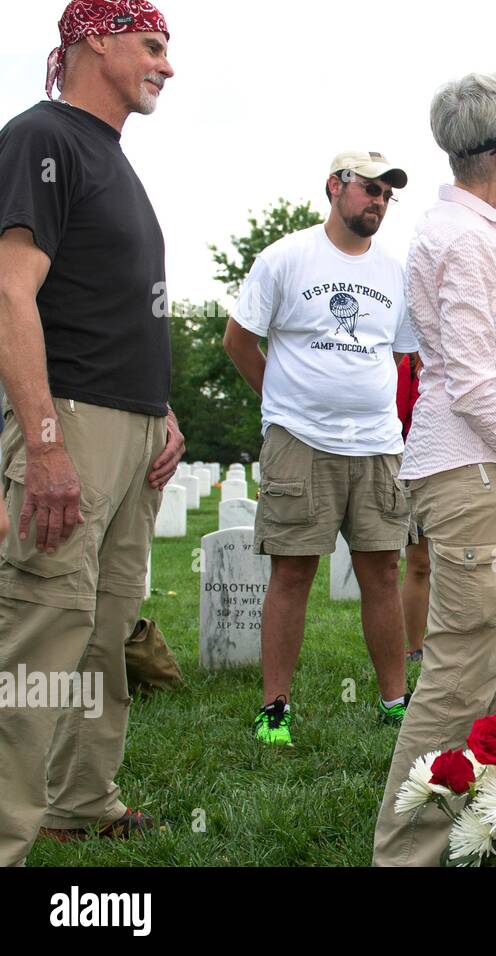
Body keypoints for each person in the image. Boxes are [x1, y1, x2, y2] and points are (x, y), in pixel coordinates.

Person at [372, 72, 496, 867]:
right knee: (460, 667)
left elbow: (486, 368)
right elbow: (461, 372)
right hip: (467, 472)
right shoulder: (461, 237)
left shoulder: (476, 230)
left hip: (483, 459)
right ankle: (407, 851)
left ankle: (485, 828)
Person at [0, 0, 182, 866]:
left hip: (134, 427)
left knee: (108, 626)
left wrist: (163, 411)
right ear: (95, 42)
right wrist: (43, 444)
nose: (167, 66)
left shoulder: (109, 156)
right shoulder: (42, 136)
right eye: (152, 45)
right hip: (70, 419)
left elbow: (113, 306)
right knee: (42, 627)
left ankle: (81, 797)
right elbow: (9, 294)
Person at [224, 149, 417, 745]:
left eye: (387, 194)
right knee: (292, 573)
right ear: (335, 186)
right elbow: (238, 340)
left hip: (377, 443)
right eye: (369, 189)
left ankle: (392, 699)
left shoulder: (395, 272)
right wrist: (280, 401)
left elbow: (399, 353)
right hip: (299, 441)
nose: (378, 202)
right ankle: (275, 709)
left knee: (383, 571)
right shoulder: (287, 257)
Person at [396, 352, 429, 663]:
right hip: (415, 469)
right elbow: (395, 418)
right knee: (420, 563)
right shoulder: (407, 365)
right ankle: (415, 646)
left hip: (461, 468)